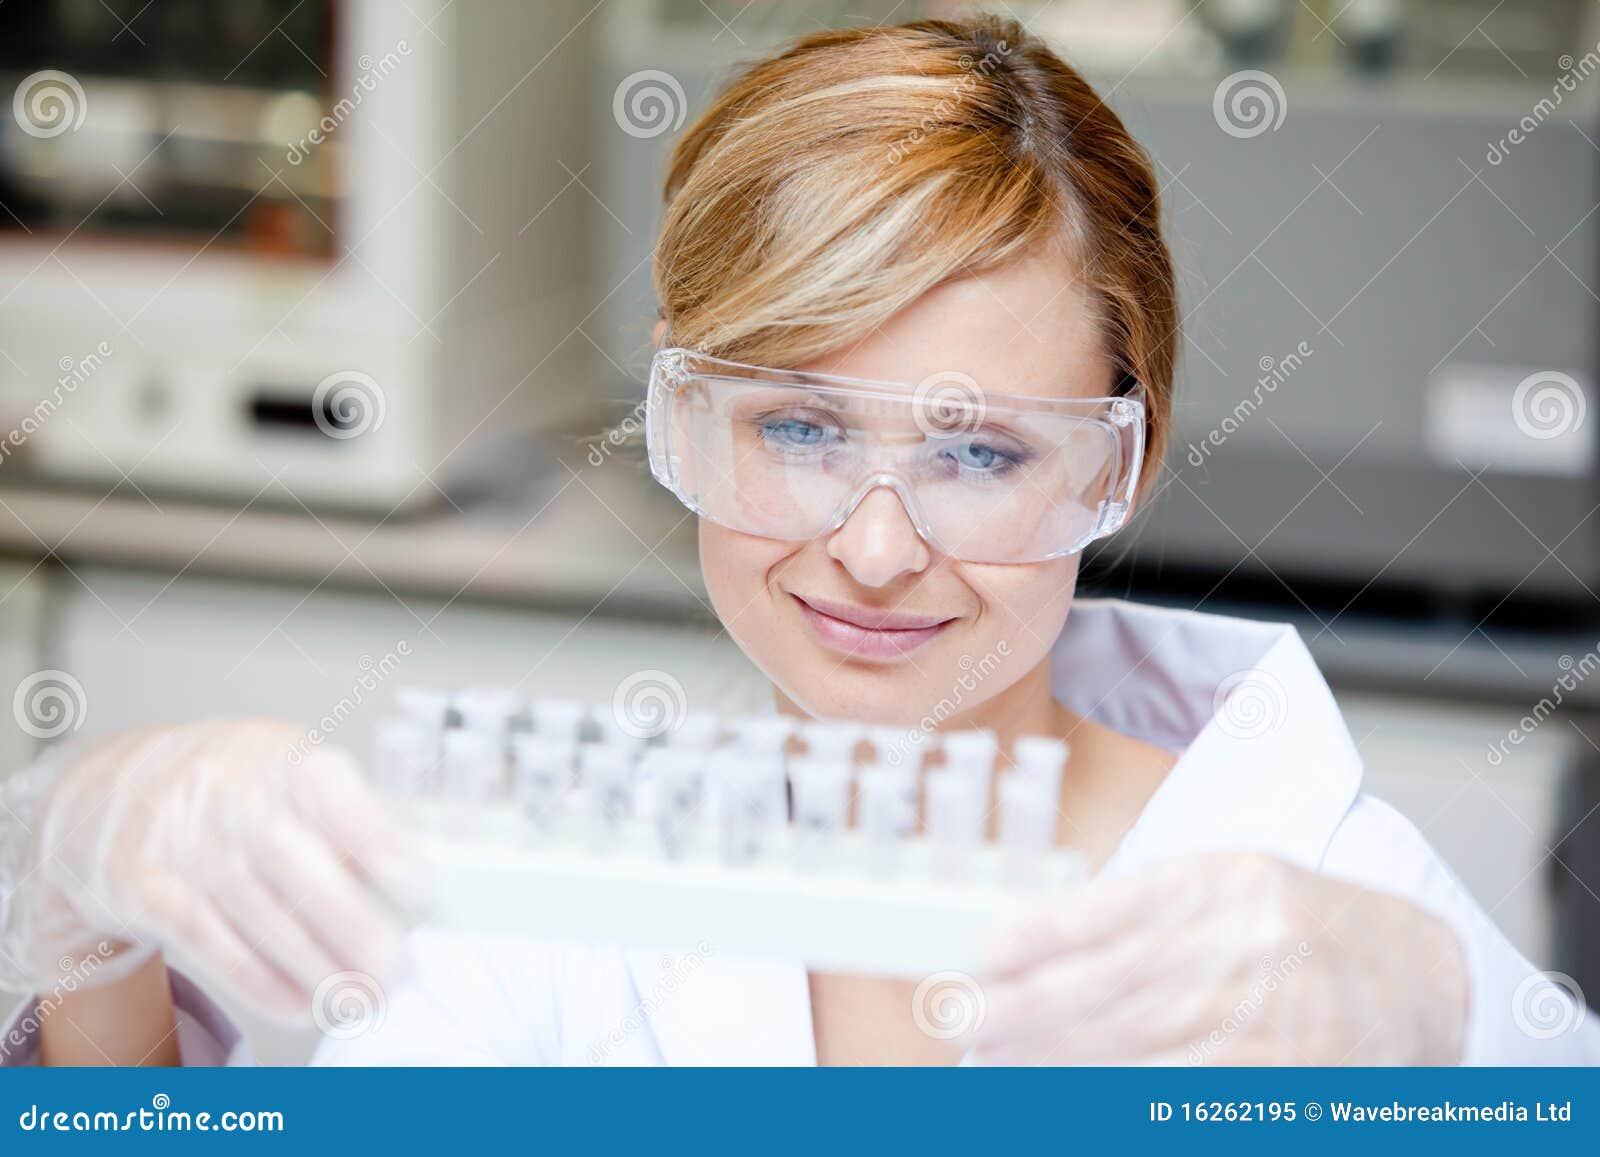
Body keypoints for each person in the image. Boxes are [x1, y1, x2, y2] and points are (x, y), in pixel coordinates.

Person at [2, 13, 1595, 1067]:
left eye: (980, 449)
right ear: (684, 416)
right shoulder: (566, 881)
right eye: (802, 428)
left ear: (1128, 457)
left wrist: (1467, 1044)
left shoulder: (1314, 886)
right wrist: (82, 928)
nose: (877, 549)